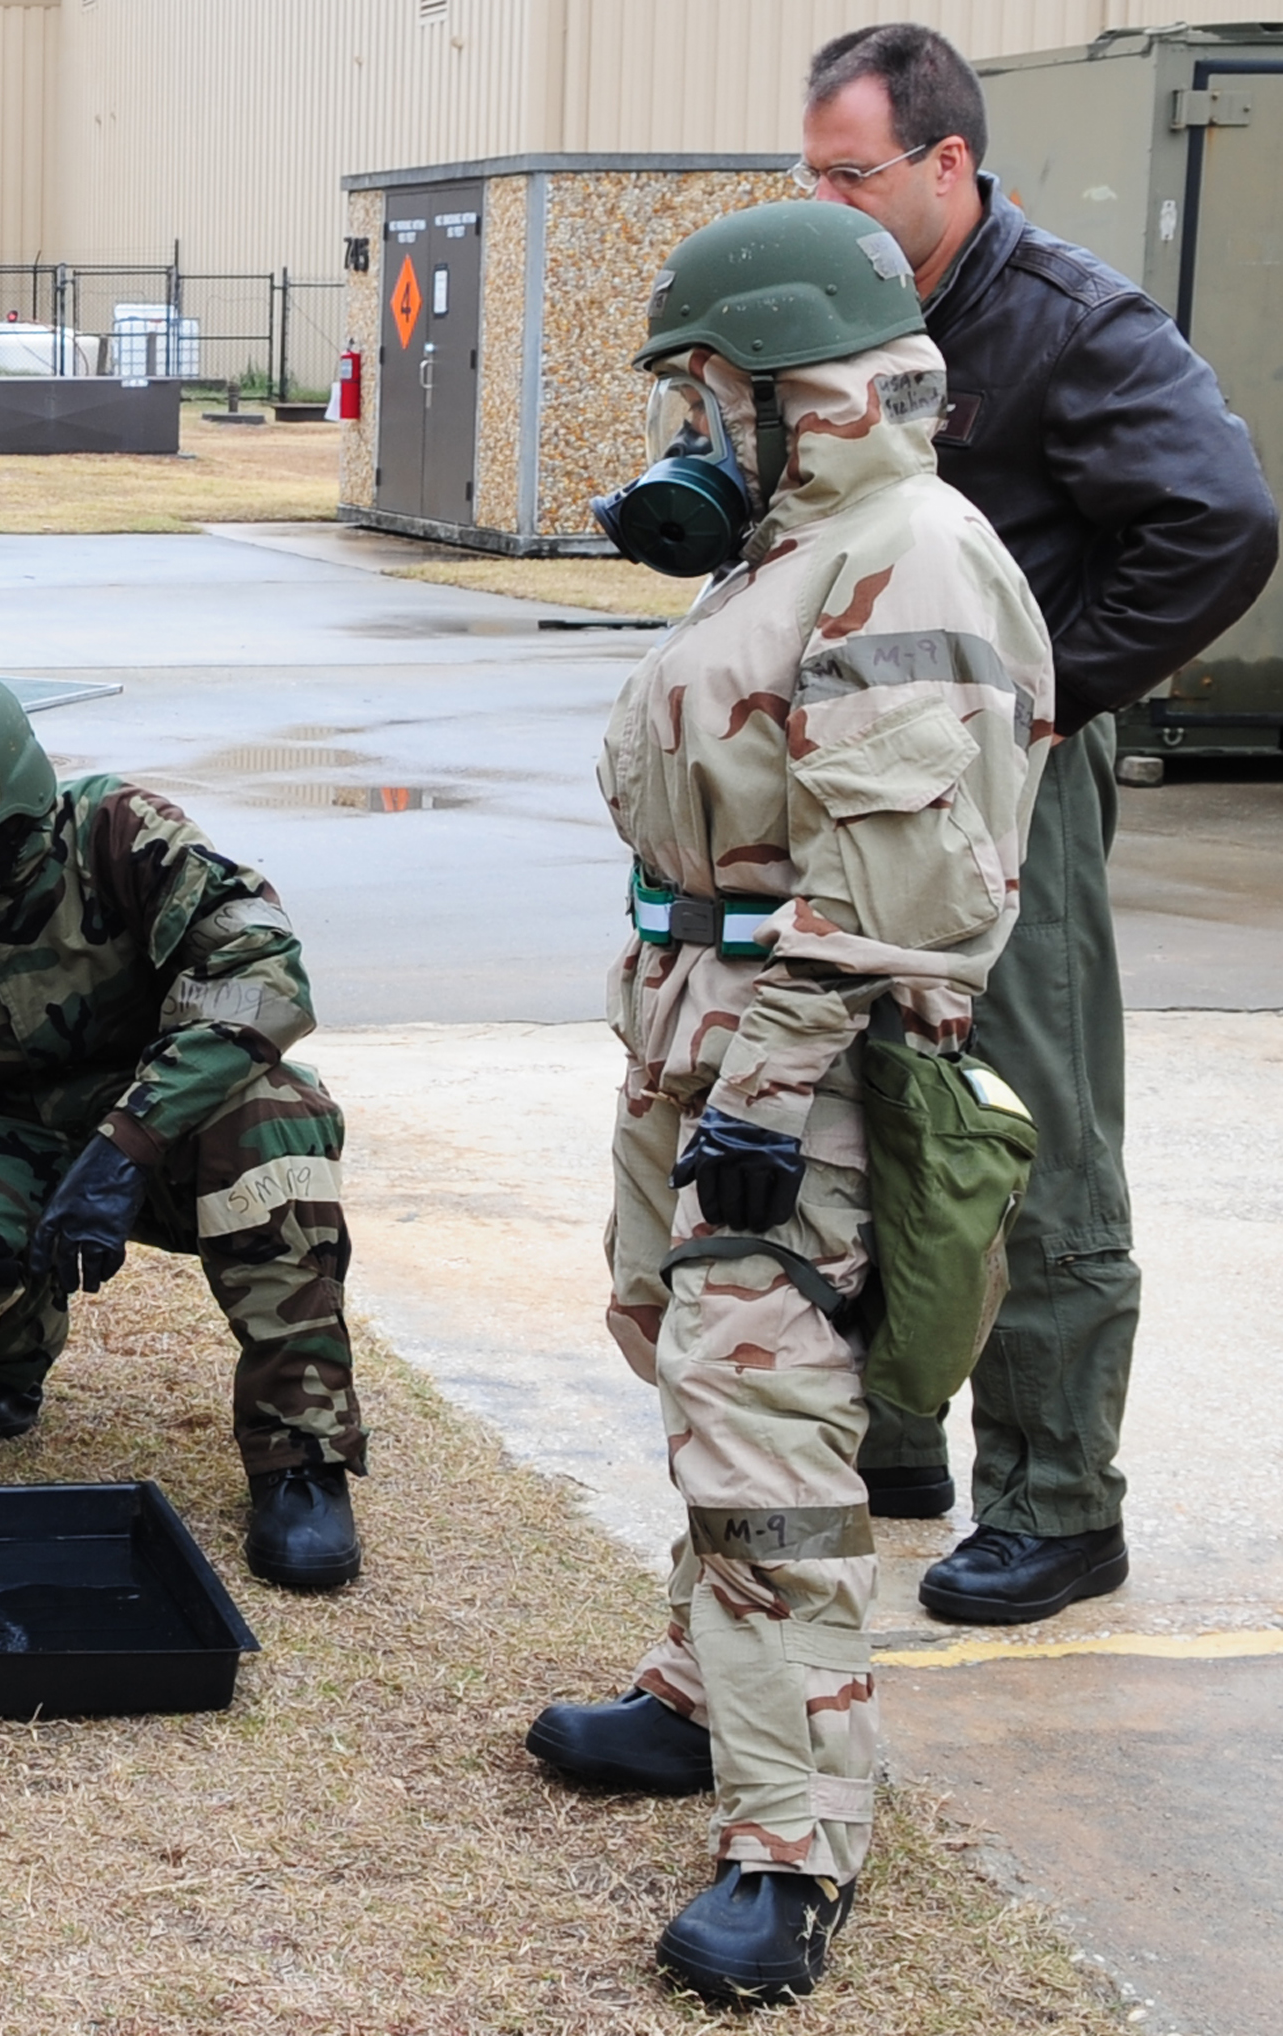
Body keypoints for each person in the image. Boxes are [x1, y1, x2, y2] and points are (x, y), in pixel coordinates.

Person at [525, 203, 1053, 2003]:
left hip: (803, 1072)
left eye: (703, 392)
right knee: (696, 1380)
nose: (686, 427)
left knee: (769, 1449)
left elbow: (899, 881)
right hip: (704, 1038)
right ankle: (703, 1696)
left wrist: (757, 1101)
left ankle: (795, 1843)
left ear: (791, 390)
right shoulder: (803, 540)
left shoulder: (915, 556)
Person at [796, 23, 1278, 1619]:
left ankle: (1060, 1502)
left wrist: (1053, 690)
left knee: (1026, 1120)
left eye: (854, 174)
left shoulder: (1071, 321)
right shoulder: (852, 307)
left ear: (949, 161)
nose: (828, 203)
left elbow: (1221, 521)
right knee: (860, 1097)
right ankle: (897, 1436)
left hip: (1006, 786)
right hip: (857, 772)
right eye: (811, 175)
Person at [0, 664, 368, 1591]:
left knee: (276, 1132)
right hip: (4, 1125)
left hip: (175, 1115)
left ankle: (301, 1453)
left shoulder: (120, 835)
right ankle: (5, 1357)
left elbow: (265, 975)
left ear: (17, 812)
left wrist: (128, 1143)